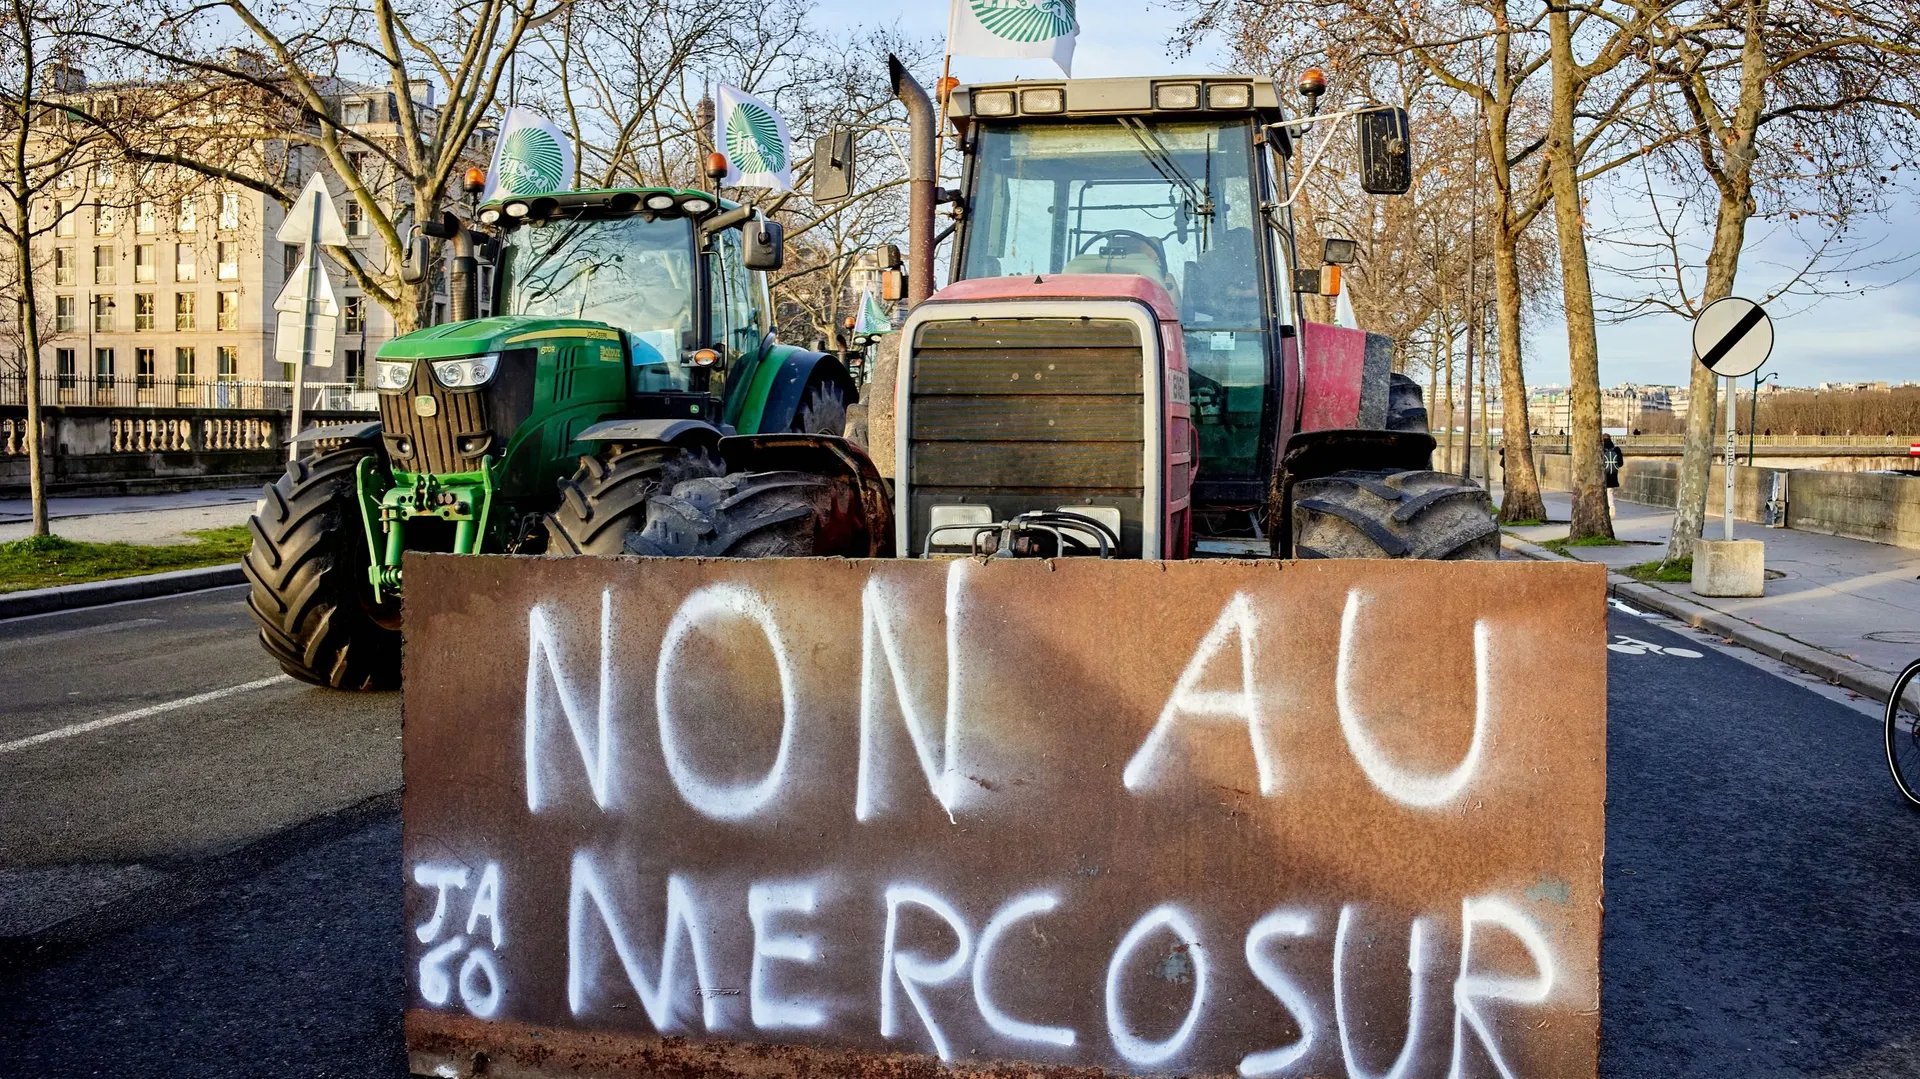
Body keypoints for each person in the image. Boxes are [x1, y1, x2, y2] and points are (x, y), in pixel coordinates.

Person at [1601, 433, 1623, 516]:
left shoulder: (1600, 449)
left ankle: (1603, 510)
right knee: (1609, 492)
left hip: (1602, 474)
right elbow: (1620, 463)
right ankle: (1611, 506)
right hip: (1613, 474)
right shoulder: (1616, 449)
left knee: (1601, 493)